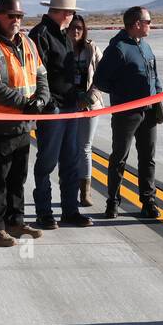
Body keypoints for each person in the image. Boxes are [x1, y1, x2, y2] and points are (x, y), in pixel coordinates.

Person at [0, 0, 49, 246]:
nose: (16, 20)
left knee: (18, 178)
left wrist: (41, 100)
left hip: (23, 125)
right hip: (0, 126)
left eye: (19, 16)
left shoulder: (27, 43)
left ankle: (15, 221)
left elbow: (41, 76)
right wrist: (26, 103)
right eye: (11, 16)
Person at [29, 0, 91, 228]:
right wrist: (49, 102)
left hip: (69, 106)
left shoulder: (63, 35)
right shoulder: (40, 34)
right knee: (47, 161)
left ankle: (70, 210)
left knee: (70, 160)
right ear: (64, 13)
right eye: (71, 12)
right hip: (52, 109)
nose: (72, 17)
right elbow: (38, 71)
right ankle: (44, 212)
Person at [95, 6, 163, 219]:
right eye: (148, 21)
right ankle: (113, 201)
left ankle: (148, 200)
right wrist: (125, 95)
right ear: (136, 24)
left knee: (147, 157)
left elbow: (154, 75)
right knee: (119, 158)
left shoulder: (146, 46)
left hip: (149, 111)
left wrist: (158, 94)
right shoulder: (118, 48)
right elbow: (100, 81)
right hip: (127, 113)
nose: (150, 25)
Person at [66, 13, 103, 207]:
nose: (76, 31)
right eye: (72, 27)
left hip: (89, 105)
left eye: (79, 28)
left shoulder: (91, 48)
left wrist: (88, 98)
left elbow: (101, 77)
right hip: (67, 105)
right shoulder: (61, 47)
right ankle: (70, 190)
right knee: (69, 149)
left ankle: (85, 192)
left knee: (84, 148)